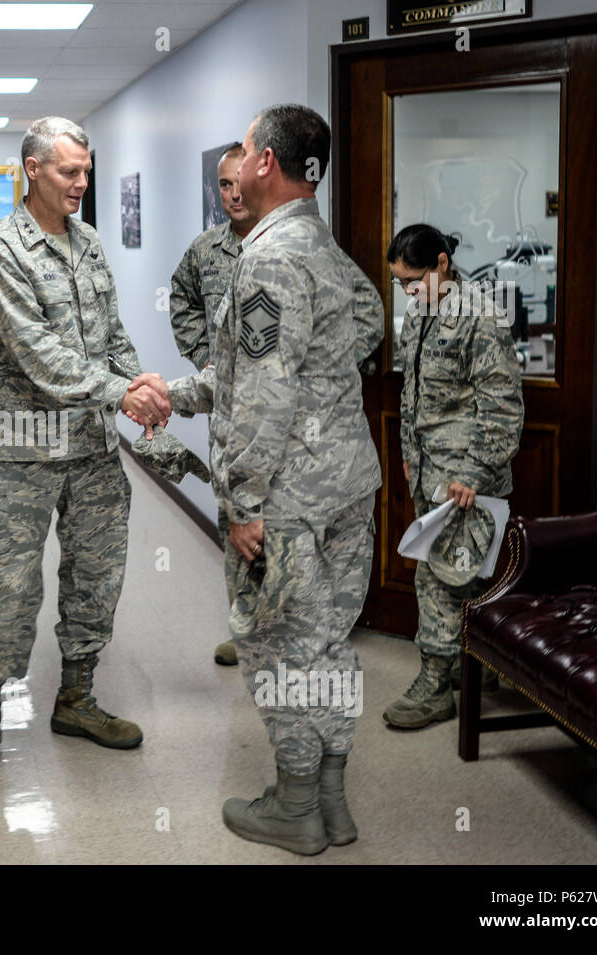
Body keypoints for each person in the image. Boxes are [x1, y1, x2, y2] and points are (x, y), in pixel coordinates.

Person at [0, 116, 171, 785]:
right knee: (13, 586)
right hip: (21, 444)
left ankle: (76, 696)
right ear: (33, 168)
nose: (81, 183)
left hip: (91, 444)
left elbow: (111, 331)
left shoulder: (88, 242)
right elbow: (38, 356)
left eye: (86, 171)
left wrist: (141, 389)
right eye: (68, 171)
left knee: (95, 573)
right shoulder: (0, 248)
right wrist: (122, 392)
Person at [211, 104, 384, 855]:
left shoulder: (267, 256)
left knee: (280, 649)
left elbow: (264, 392)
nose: (241, 159)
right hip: (349, 481)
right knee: (332, 642)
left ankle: (294, 806)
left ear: (265, 163)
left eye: (246, 147)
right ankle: (334, 804)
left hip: (287, 500)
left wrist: (242, 500)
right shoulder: (321, 244)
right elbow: (369, 325)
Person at [383, 224, 523, 729]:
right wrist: (406, 453)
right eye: (400, 284)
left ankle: (436, 684)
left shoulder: (480, 316)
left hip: (466, 479)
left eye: (413, 280)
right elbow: (410, 392)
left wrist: (473, 471)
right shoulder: (420, 313)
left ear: (442, 263)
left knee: (440, 577)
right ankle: (477, 669)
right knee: (460, 574)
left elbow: (503, 404)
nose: (408, 292)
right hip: (429, 471)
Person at [166, 142, 257, 667]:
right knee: (235, 517)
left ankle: (285, 633)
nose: (233, 193)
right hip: (225, 413)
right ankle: (244, 626)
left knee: (280, 519)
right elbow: (180, 299)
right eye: (223, 184)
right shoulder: (205, 250)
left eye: (239, 181)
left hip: (282, 418)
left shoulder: (285, 244)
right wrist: (204, 357)